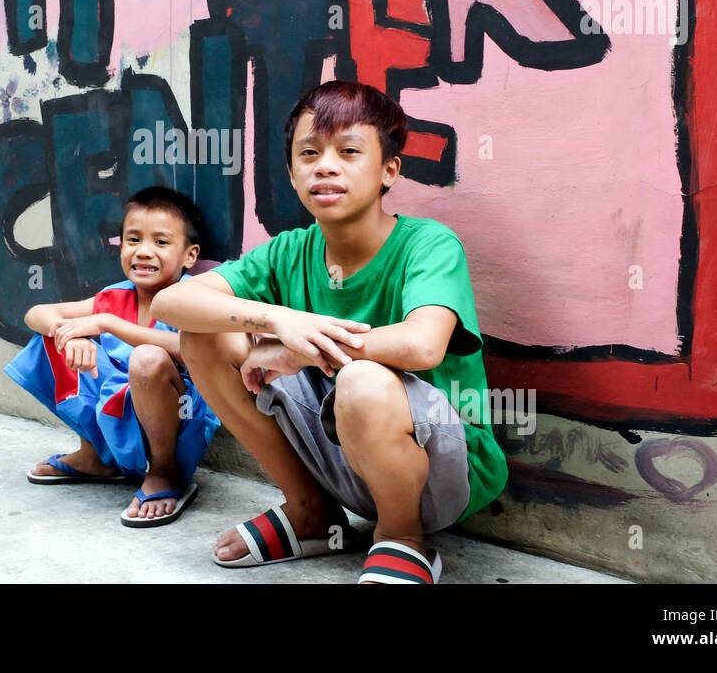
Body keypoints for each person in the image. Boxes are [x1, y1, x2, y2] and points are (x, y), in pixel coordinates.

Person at [151, 81, 508, 583]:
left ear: (389, 171)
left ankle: (403, 538)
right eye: (309, 153)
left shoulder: (428, 244)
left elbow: (422, 345)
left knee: (362, 378)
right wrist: (278, 321)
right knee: (203, 335)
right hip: (343, 457)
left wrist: (300, 353)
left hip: (442, 471)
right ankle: (310, 512)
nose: (325, 165)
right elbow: (172, 301)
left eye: (348, 152)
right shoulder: (289, 250)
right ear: (293, 174)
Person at [5, 187, 220, 526]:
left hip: (174, 423)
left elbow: (186, 347)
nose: (144, 252)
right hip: (118, 415)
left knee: (147, 359)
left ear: (190, 255)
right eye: (133, 240)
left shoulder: (192, 295)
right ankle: (96, 457)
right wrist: (72, 335)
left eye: (161, 243)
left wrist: (107, 325)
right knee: (53, 337)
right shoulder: (114, 296)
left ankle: (164, 475)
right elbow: (37, 312)